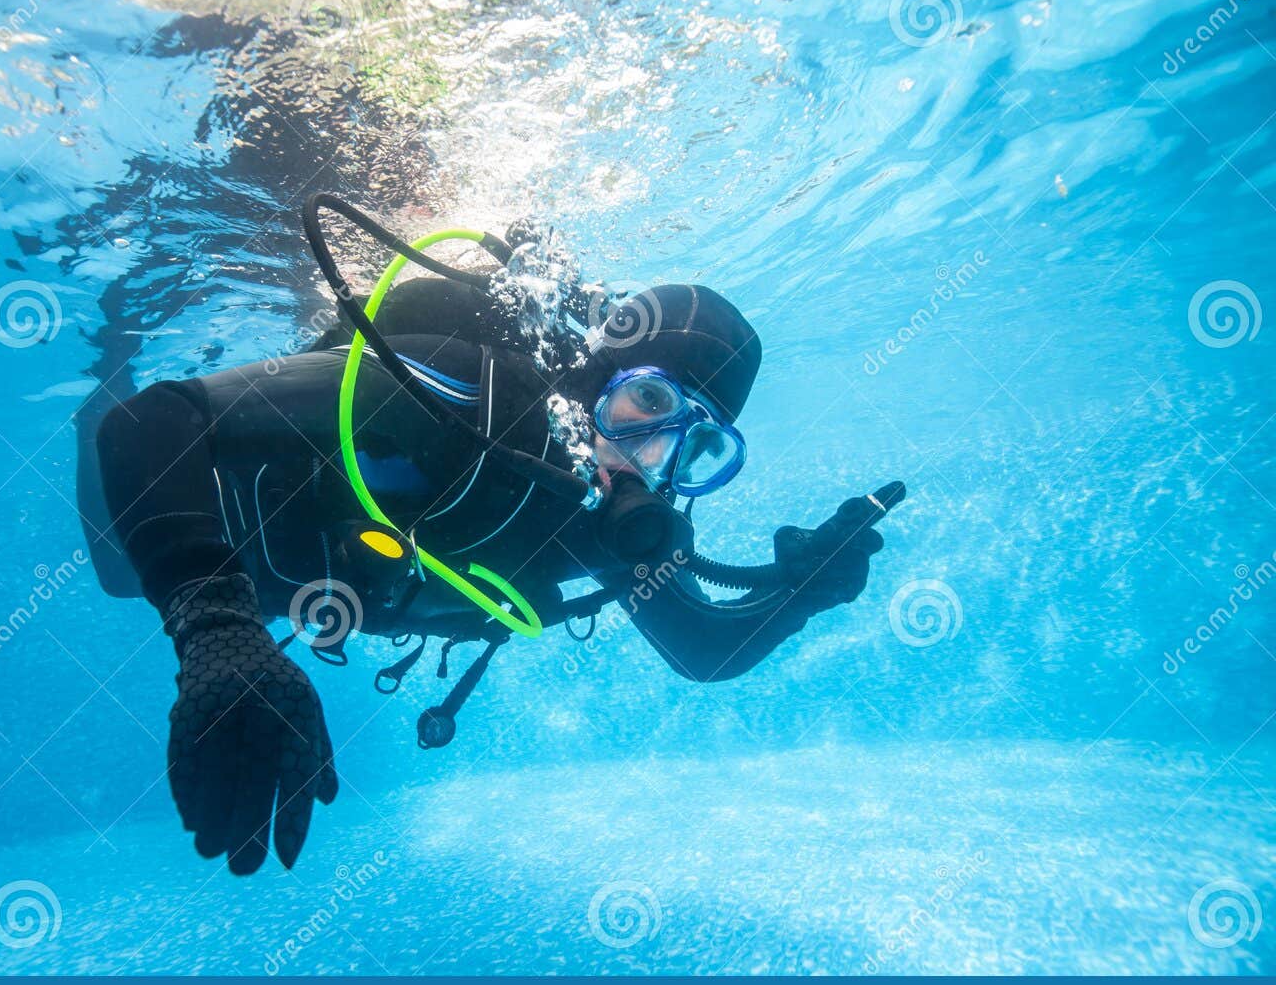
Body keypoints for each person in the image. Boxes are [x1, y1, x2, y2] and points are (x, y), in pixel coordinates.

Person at [87, 196, 903, 875]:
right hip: (188, 526)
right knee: (110, 549)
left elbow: (703, 649)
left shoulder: (606, 521)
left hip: (280, 596)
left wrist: (807, 593)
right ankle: (109, 339)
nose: (649, 462)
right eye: (646, 407)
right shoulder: (452, 392)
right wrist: (215, 628)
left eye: (697, 447)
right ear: (591, 377)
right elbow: (152, 425)